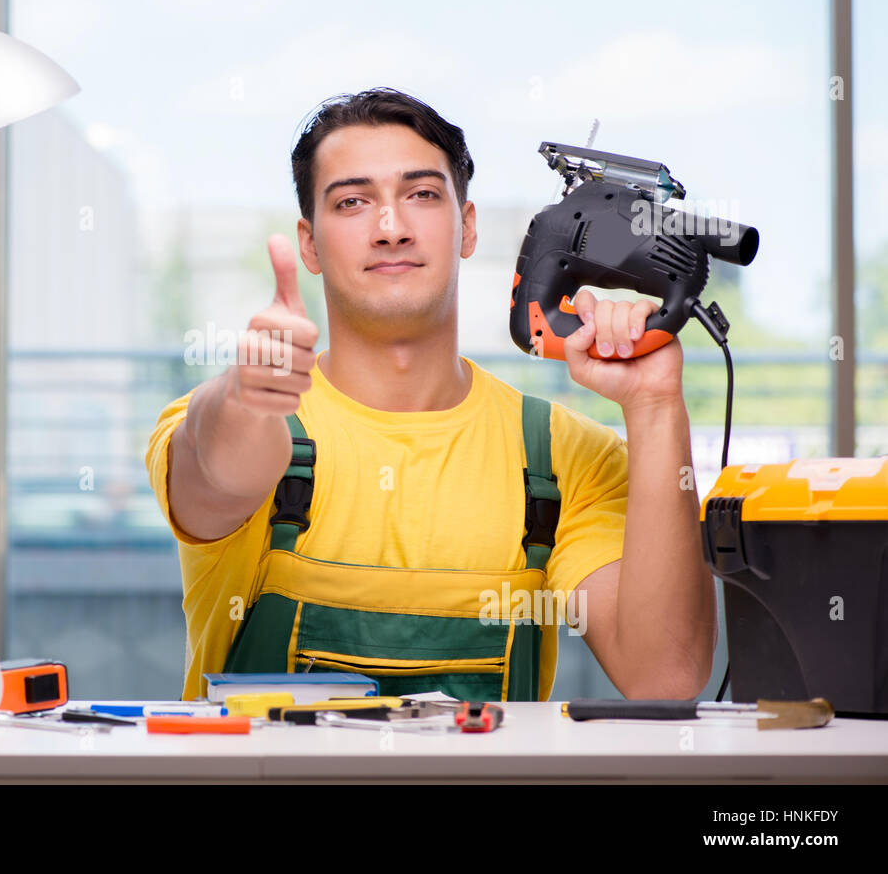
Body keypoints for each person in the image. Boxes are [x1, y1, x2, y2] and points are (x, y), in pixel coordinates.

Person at [145, 87, 716, 703]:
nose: (391, 229)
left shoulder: (562, 456)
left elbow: (665, 677)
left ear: (466, 226)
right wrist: (244, 398)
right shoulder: (240, 420)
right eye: (353, 202)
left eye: (421, 195)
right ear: (309, 244)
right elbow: (217, 476)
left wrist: (655, 407)